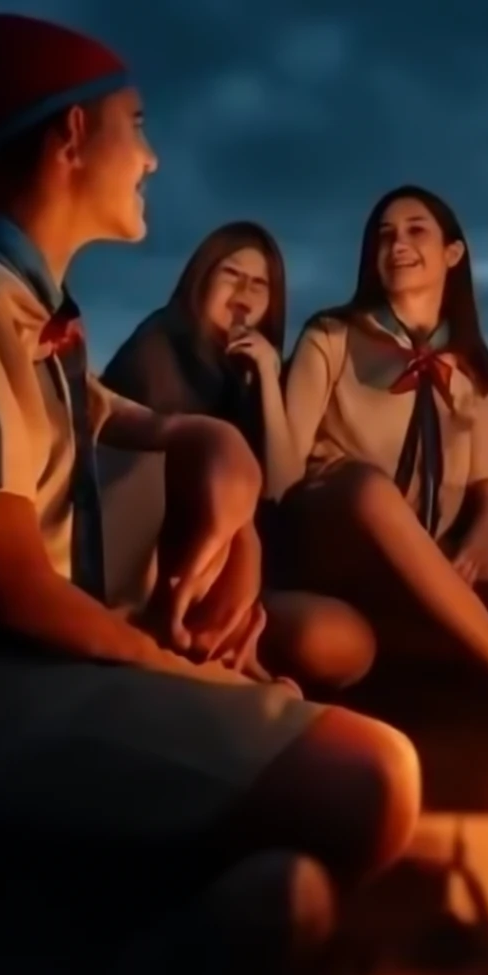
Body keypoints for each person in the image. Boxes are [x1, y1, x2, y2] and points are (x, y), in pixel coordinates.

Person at [0, 11, 420, 975]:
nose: (150, 157)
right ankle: (71, 937)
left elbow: (156, 431)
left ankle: (192, 895)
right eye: (136, 125)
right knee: (375, 776)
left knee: (318, 671)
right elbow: (9, 591)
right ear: (72, 134)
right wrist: (184, 675)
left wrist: (218, 461)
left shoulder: (23, 308)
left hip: (17, 644)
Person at [281, 184, 488, 758]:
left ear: (452, 254)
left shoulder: (471, 364)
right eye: (385, 234)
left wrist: (484, 534)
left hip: (429, 564)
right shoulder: (331, 336)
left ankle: (430, 648)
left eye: (416, 230)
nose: (398, 243)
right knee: (369, 490)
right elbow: (286, 469)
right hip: (338, 543)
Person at [100, 221, 375, 691]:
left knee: (349, 642)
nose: (244, 293)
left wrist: (267, 379)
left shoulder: (240, 371)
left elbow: (281, 487)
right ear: (201, 278)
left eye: (259, 284)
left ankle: (228, 654)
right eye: (231, 274)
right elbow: (162, 496)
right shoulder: (159, 348)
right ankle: (205, 658)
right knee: (329, 639)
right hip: (161, 573)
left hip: (238, 573)